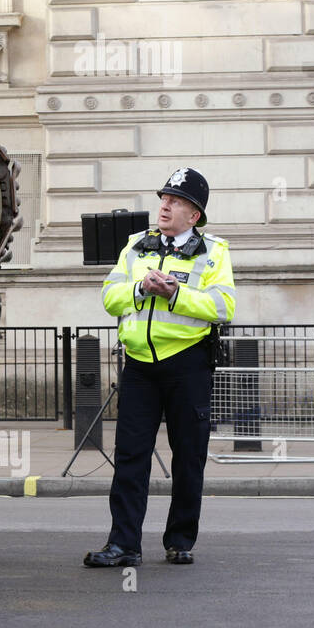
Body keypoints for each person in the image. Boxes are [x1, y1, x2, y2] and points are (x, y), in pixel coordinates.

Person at [84, 168, 236, 567]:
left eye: (176, 201)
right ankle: (123, 544)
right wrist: (139, 288)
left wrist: (175, 294)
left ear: (195, 215)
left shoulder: (214, 252)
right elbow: (109, 295)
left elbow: (223, 307)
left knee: (188, 456)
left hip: (187, 366)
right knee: (131, 455)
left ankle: (180, 540)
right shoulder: (136, 246)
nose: (165, 206)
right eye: (164, 198)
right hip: (139, 365)